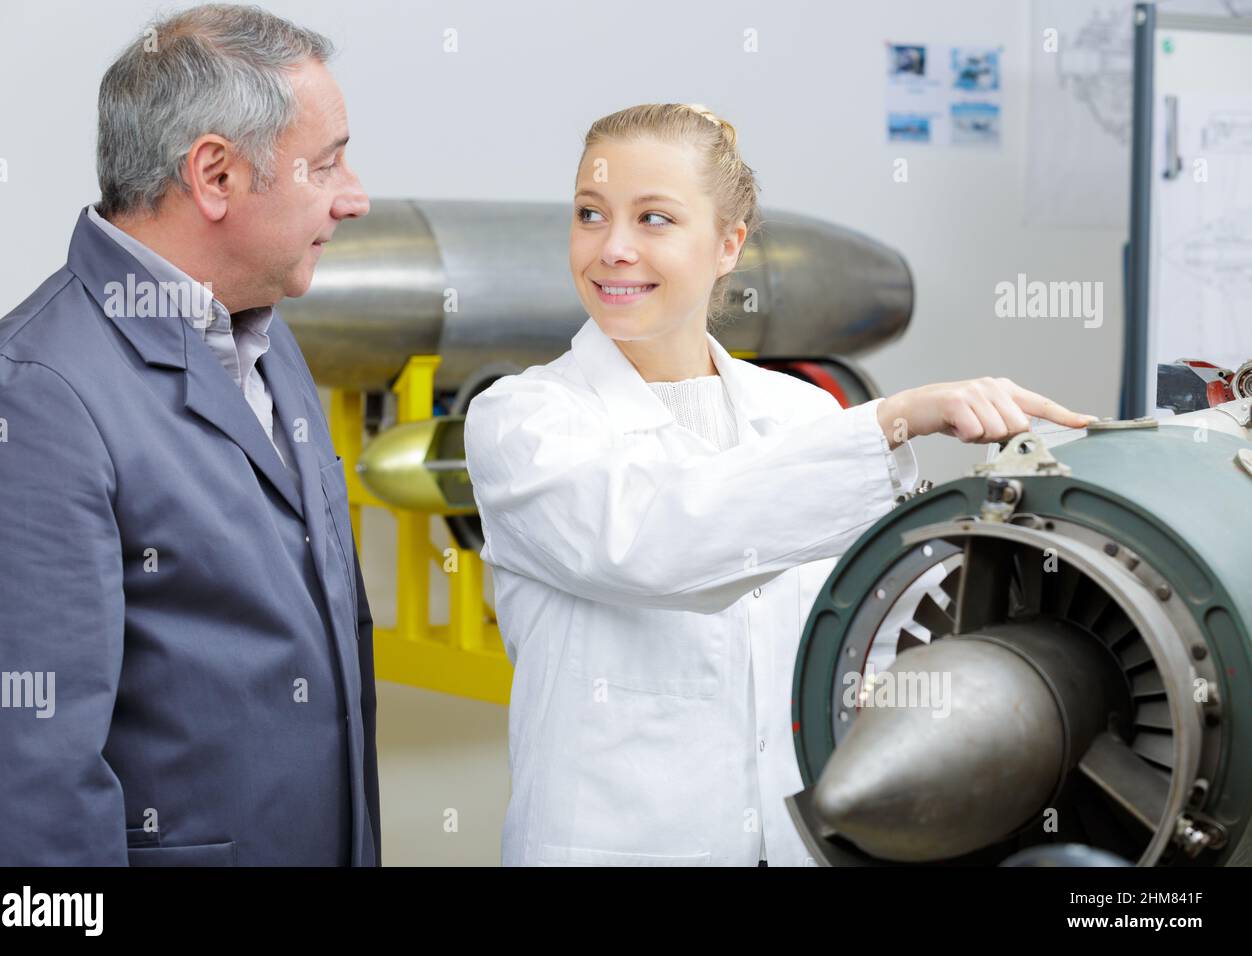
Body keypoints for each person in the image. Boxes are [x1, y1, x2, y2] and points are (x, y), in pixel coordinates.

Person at [463, 102, 1096, 867]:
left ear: (728, 245)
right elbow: (651, 543)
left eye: (654, 218)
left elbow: (868, 629)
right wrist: (893, 418)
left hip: (795, 844)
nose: (613, 248)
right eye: (590, 214)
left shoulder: (798, 413)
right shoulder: (522, 419)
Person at [0, 5, 377, 865]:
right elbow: (23, 785)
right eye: (325, 162)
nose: (354, 196)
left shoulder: (263, 333)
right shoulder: (30, 397)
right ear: (214, 175)